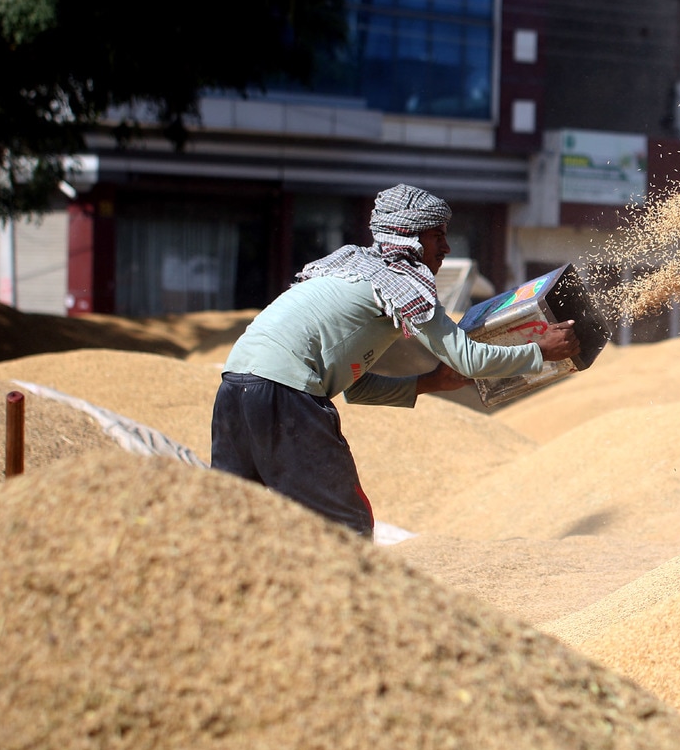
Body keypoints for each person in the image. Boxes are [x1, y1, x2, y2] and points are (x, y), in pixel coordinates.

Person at [210, 183, 580, 539]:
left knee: (234, 518)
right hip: (285, 392)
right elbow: (469, 359)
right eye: (437, 236)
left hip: (235, 388)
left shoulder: (354, 269)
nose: (446, 248)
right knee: (346, 525)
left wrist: (430, 382)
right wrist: (541, 351)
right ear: (411, 238)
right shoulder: (401, 282)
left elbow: (356, 389)